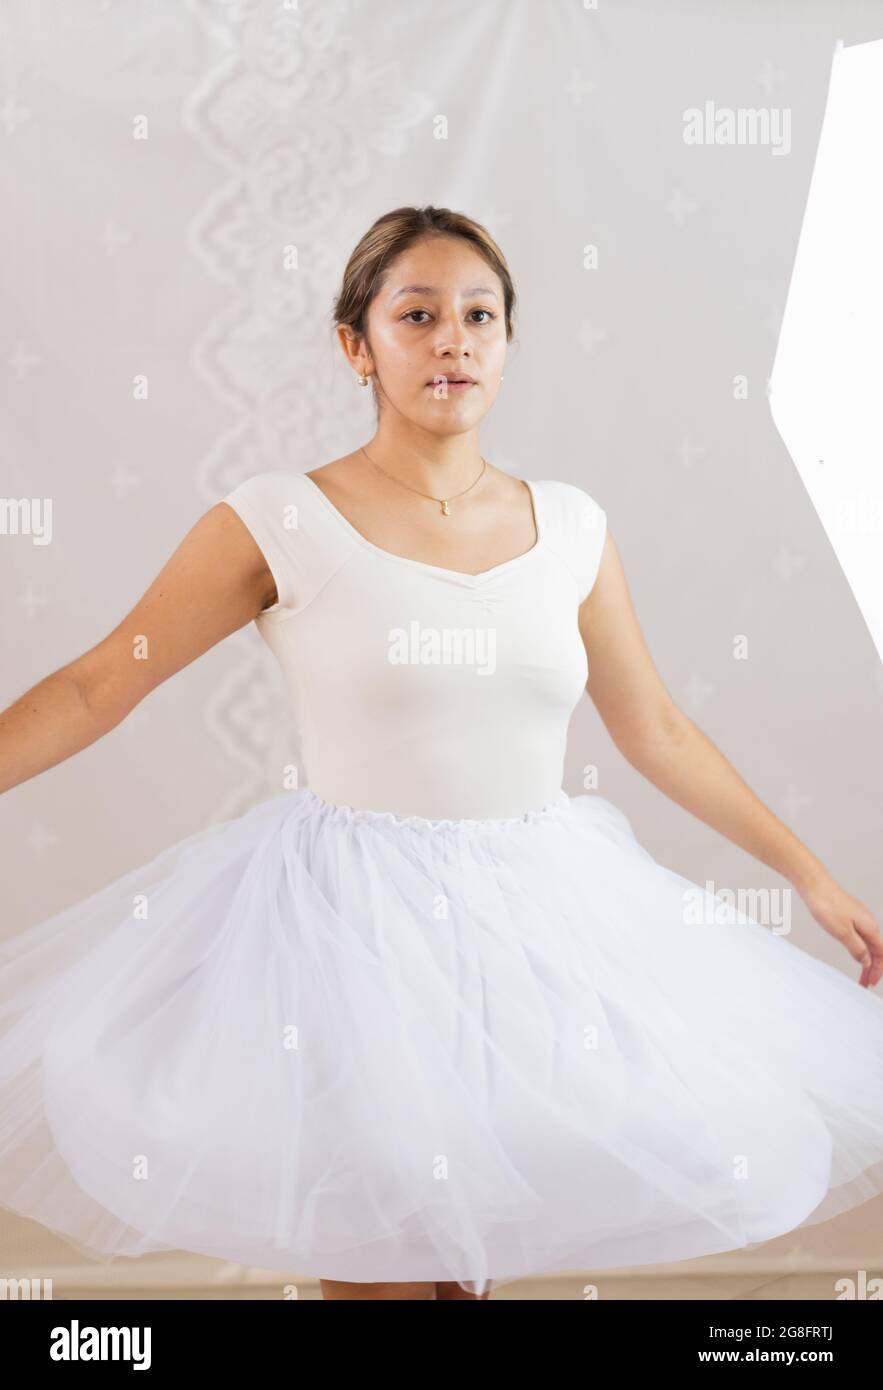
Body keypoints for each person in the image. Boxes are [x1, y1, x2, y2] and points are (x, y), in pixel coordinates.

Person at [2, 206, 882, 1304]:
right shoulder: (282, 516)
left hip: (536, 928)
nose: (452, 340)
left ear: (509, 342)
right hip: (345, 935)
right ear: (354, 344)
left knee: (474, 1254)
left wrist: (809, 874)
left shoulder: (568, 526)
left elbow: (651, 724)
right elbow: (100, 680)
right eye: (415, 315)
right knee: (373, 1238)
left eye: (478, 315)